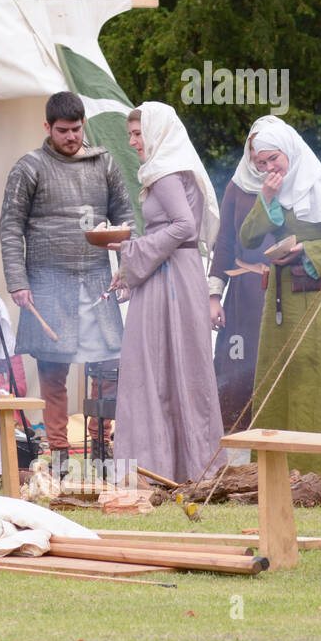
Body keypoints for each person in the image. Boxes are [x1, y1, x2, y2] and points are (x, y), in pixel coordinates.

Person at [0, 91, 135, 475]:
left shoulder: (104, 163)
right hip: (46, 283)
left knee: (109, 367)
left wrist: (125, 267)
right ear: (47, 127)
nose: (71, 137)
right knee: (53, 372)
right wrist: (18, 281)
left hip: (95, 280)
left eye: (76, 129)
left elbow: (125, 216)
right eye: (63, 131)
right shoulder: (29, 167)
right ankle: (58, 454)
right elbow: (10, 228)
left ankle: (101, 448)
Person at [108, 102, 223, 483]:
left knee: (154, 367)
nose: (133, 142)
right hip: (169, 273)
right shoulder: (169, 170)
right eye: (131, 135)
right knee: (171, 367)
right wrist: (127, 269)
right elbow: (171, 231)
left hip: (171, 278)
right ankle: (178, 466)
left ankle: (156, 468)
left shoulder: (167, 173)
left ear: (157, 132)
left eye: (138, 134)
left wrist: (130, 250)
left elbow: (183, 227)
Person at [239, 116, 321, 480]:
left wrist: (307, 247)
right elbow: (247, 238)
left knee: (315, 373)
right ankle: (276, 467)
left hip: (319, 298)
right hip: (281, 301)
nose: (268, 168)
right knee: (280, 372)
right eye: (260, 164)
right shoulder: (271, 196)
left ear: (289, 150)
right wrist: (267, 198)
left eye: (273, 159)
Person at [207, 115, 281, 433]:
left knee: (277, 366)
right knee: (237, 367)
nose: (259, 158)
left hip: (281, 291)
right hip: (242, 296)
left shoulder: (293, 183)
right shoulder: (237, 187)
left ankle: (280, 440)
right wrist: (213, 296)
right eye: (254, 150)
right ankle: (236, 447)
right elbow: (223, 242)